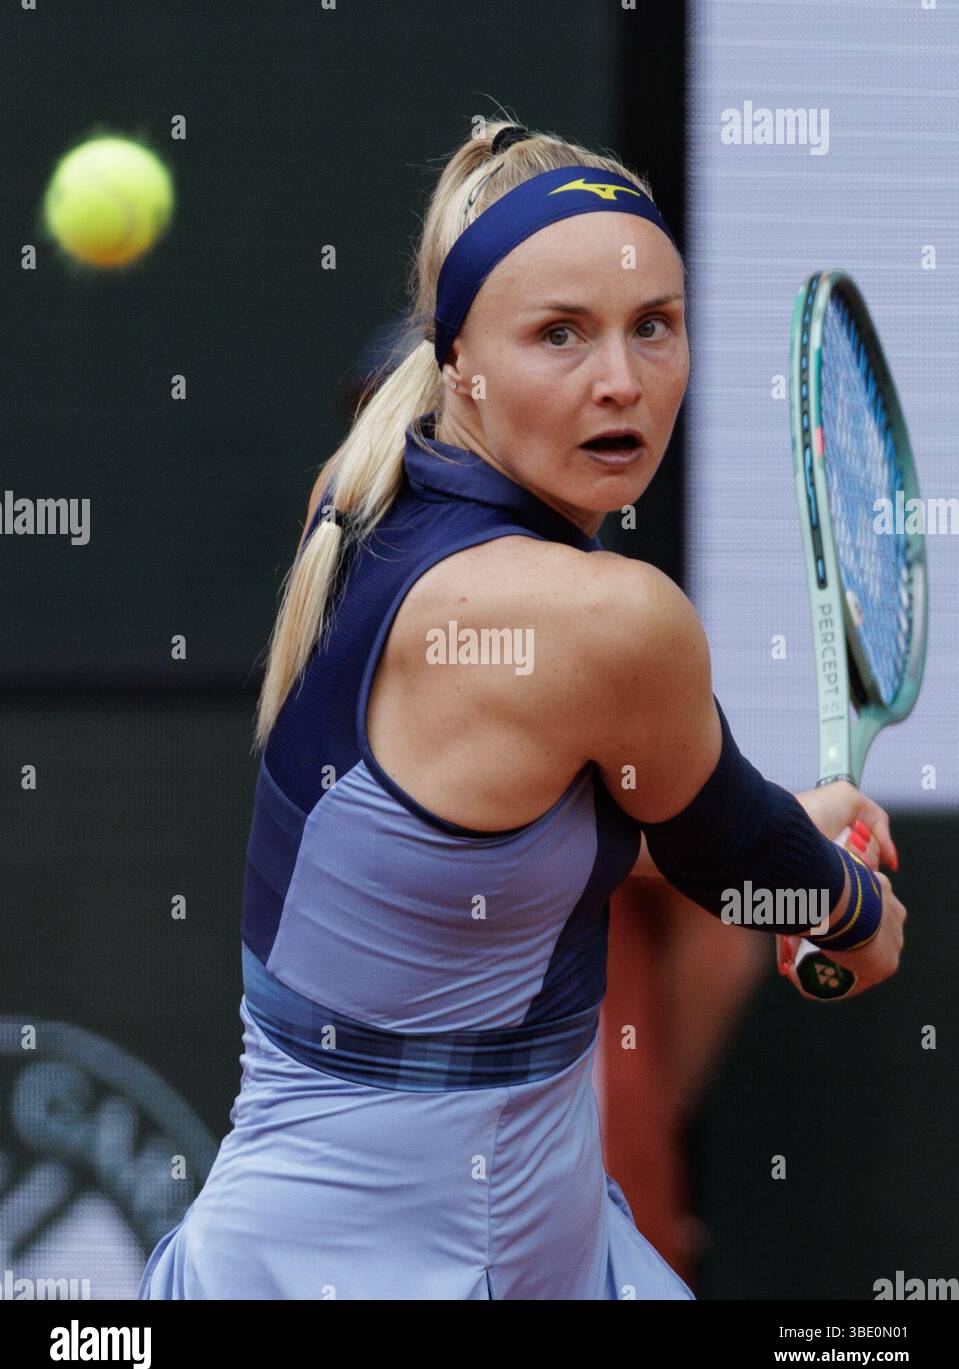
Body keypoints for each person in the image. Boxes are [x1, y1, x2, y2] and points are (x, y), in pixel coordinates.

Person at [138, 119, 906, 1301]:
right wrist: (851, 908)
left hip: (513, 1239)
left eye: (652, 324)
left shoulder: (356, 493)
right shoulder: (603, 617)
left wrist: (794, 831)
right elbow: (727, 854)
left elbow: (645, 811)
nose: (621, 379)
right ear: (460, 365)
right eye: (561, 334)